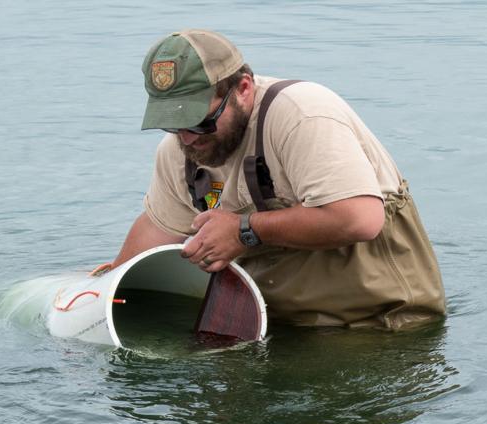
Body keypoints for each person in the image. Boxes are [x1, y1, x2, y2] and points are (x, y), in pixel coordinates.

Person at [104, 29, 446, 331]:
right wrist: (101, 288)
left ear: (243, 88)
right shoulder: (177, 150)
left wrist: (244, 231)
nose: (188, 139)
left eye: (199, 123)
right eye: (172, 124)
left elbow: (359, 219)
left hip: (381, 323)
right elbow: (159, 226)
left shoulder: (302, 114)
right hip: (274, 323)